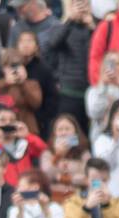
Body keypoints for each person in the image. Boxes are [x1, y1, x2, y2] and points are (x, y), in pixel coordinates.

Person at [42, 0, 95, 130]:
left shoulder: (95, 28)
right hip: (69, 91)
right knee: (69, 129)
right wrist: (70, 20)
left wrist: (92, 28)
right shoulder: (60, 27)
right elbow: (53, 44)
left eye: (84, 4)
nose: (81, 8)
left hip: (92, 91)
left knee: (88, 132)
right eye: (77, 5)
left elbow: (99, 51)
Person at [0, 107, 50, 184]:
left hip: (26, 187)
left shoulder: (24, 143)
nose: (8, 123)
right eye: (3, 120)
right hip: (4, 191)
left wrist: (28, 136)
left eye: (12, 120)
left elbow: (45, 151)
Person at [0, 49, 44, 135]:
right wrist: (7, 82)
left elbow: (36, 104)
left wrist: (23, 83)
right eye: (10, 66)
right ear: (4, 68)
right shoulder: (0, 84)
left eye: (17, 65)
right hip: (6, 129)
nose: (14, 70)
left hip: (27, 128)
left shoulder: (32, 84)